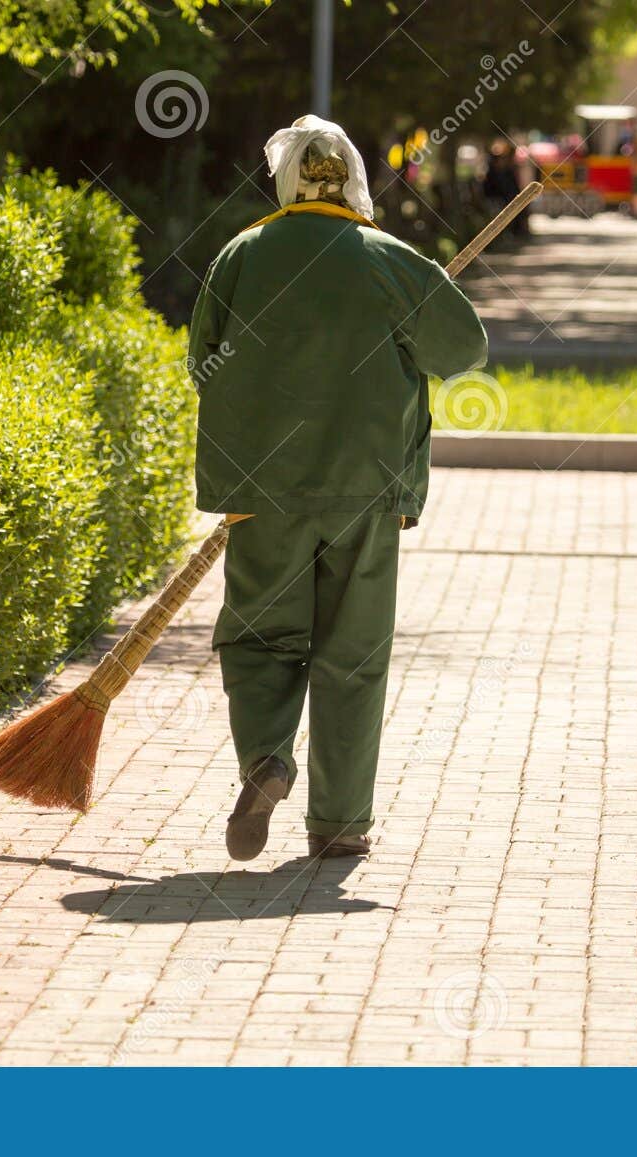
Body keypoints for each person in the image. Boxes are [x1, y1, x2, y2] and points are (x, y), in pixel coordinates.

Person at [187, 116, 488, 862]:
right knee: (352, 651)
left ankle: (265, 758)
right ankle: (341, 823)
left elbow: (201, 362)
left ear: (288, 181)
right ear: (353, 181)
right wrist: (422, 301)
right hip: (366, 489)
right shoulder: (390, 259)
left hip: (264, 489)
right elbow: (465, 351)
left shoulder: (240, 255)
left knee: (259, 637)